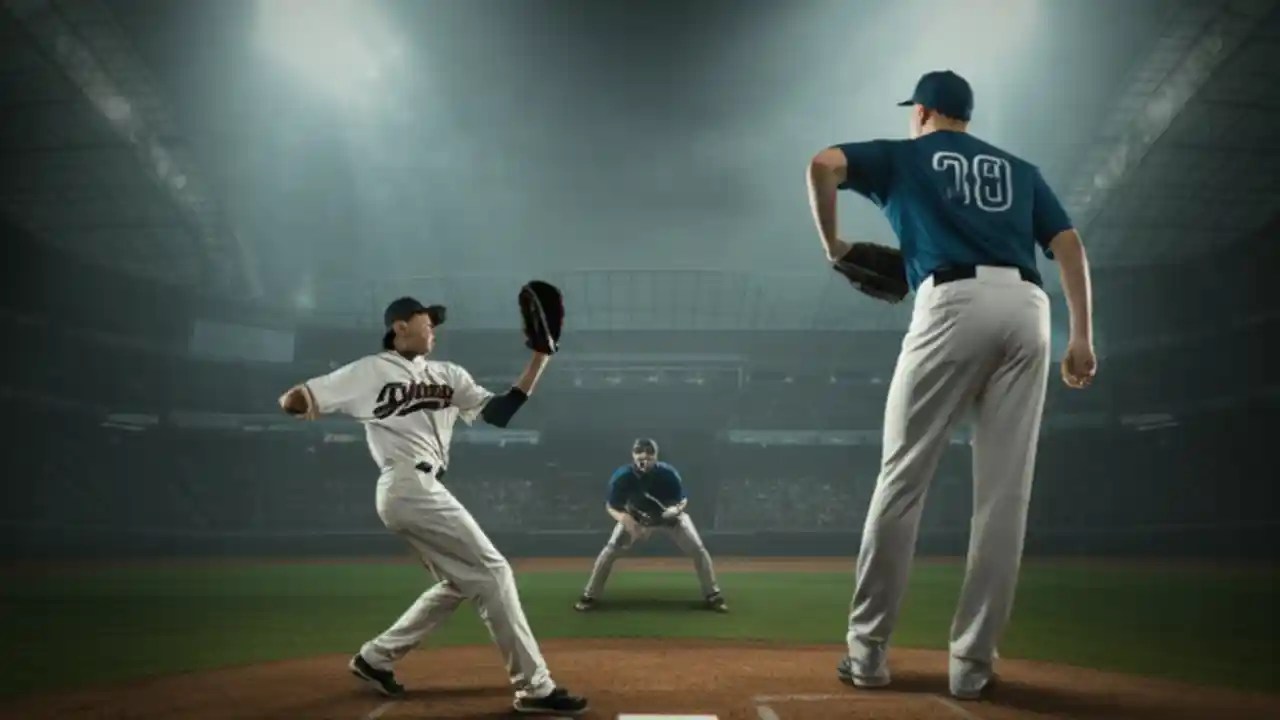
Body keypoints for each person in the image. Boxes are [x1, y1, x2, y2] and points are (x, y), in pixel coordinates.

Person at [805, 70, 1097, 700]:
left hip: (952, 301)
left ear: (923, 112)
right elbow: (1069, 243)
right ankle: (972, 667)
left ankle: (867, 655)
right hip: (1029, 309)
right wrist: (1082, 337)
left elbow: (822, 164)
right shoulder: (1019, 169)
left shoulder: (902, 155)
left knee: (902, 478)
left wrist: (834, 246)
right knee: (1004, 496)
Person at [276, 296, 588, 716]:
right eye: (427, 322)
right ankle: (535, 686)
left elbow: (499, 412)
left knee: (460, 581)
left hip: (422, 487)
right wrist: (300, 403)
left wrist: (540, 358)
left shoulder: (448, 374)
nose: (433, 330)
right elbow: (296, 398)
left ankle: (375, 658)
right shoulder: (370, 370)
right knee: (494, 571)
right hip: (405, 482)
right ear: (400, 327)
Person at [574, 438, 727, 613]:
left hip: (669, 519)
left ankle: (713, 595)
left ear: (656, 457)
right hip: (638, 519)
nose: (644, 458)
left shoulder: (668, 474)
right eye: (640, 453)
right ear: (633, 455)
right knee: (609, 551)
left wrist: (676, 509)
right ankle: (590, 595)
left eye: (649, 454)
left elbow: (682, 500)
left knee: (698, 550)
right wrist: (624, 519)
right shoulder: (622, 476)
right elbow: (611, 506)